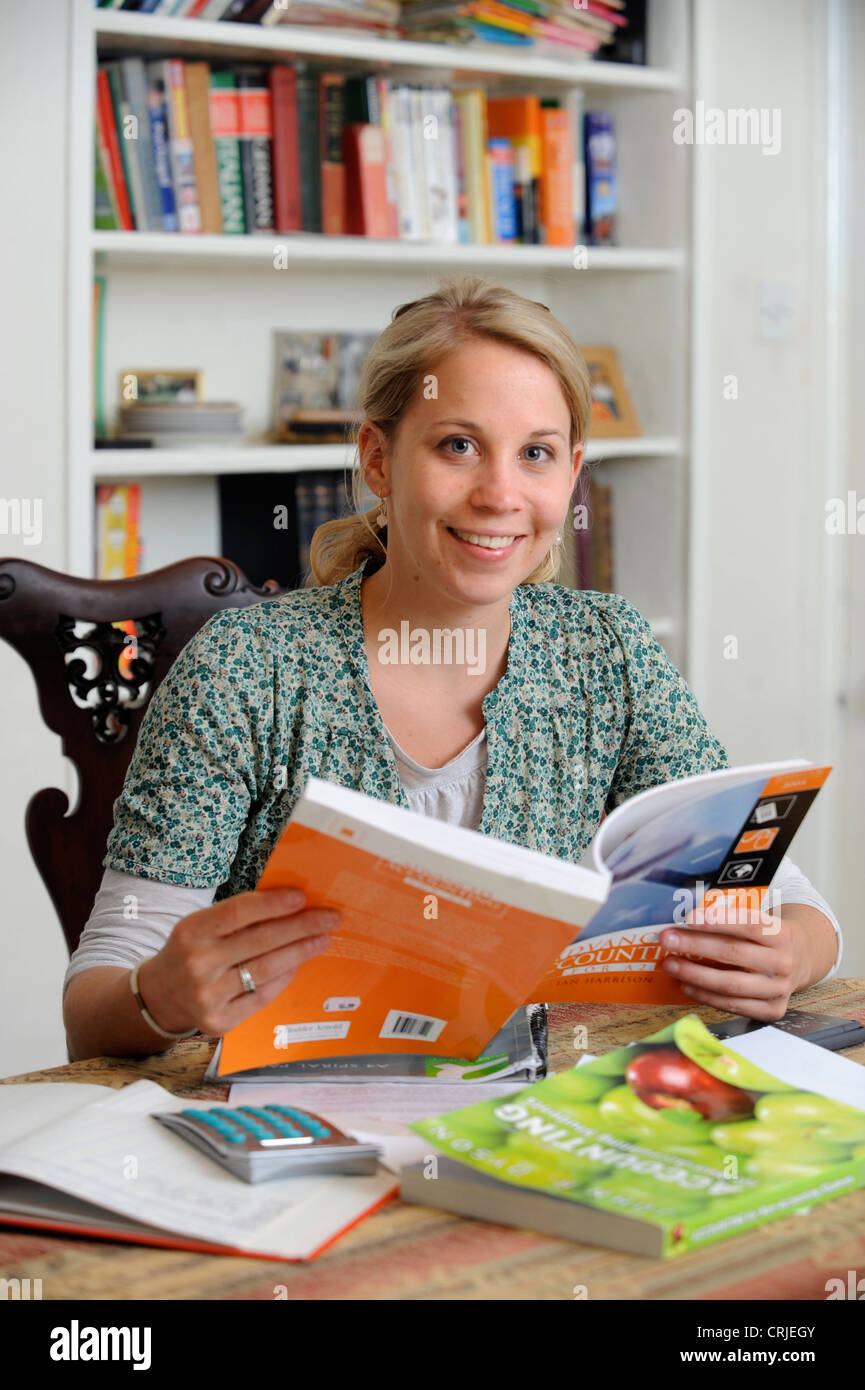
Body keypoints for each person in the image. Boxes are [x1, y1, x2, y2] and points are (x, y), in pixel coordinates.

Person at [63, 276, 842, 1061]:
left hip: (525, 1109)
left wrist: (789, 954)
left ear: (570, 473)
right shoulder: (246, 670)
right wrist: (159, 996)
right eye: (457, 446)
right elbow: (94, 1008)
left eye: (534, 454)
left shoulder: (609, 652)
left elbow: (787, 901)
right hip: (288, 1118)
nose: (499, 493)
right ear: (378, 458)